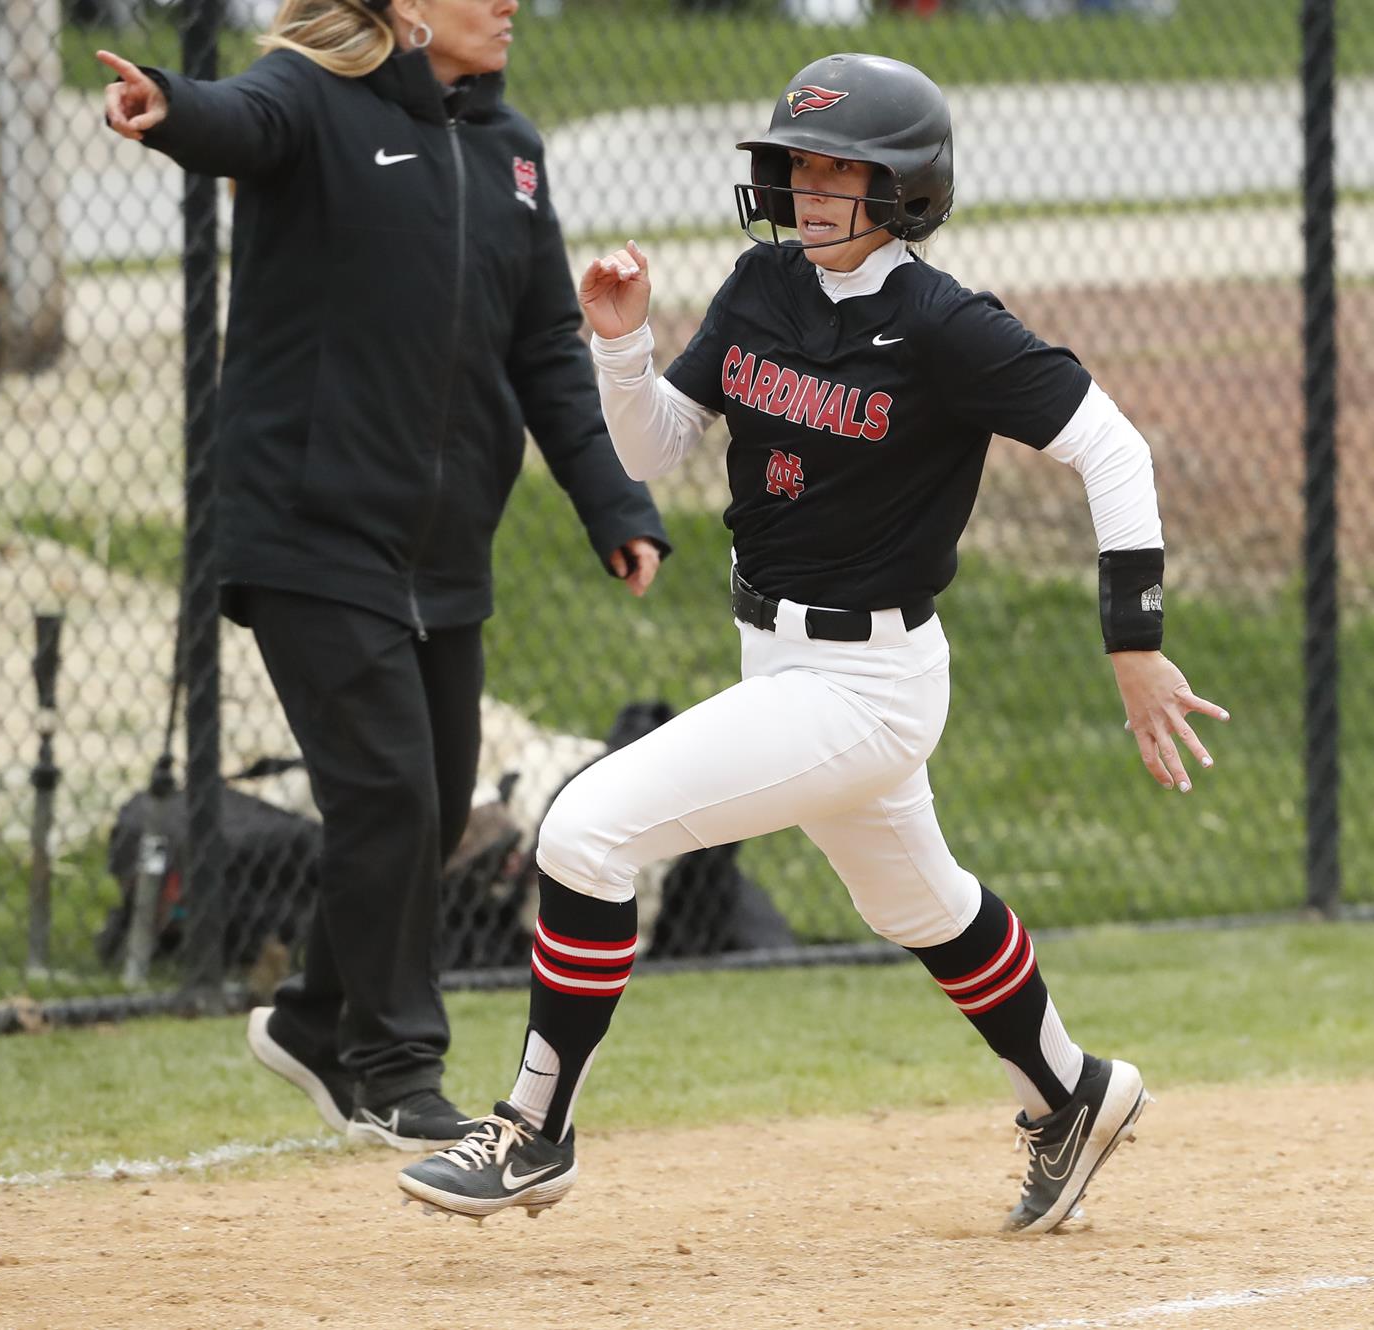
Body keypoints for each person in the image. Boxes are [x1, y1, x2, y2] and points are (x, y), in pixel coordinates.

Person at [396, 51, 1228, 1231]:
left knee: (584, 832)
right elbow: (652, 447)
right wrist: (621, 347)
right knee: (921, 905)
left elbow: (1113, 448)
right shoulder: (760, 284)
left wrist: (1132, 640)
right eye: (797, 165)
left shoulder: (944, 325)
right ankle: (1071, 1090)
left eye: (841, 170)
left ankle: (534, 1129)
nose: (807, 187)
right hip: (778, 660)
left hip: (866, 683)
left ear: (906, 189)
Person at [97, 0, 670, 1148]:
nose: (507, 4)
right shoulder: (310, 97)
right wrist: (170, 107)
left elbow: (543, 347)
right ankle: (395, 1069)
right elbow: (238, 121)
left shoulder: (509, 150)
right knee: (389, 794)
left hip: (440, 546)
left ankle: (315, 1019)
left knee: (436, 800)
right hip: (306, 525)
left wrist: (614, 503)